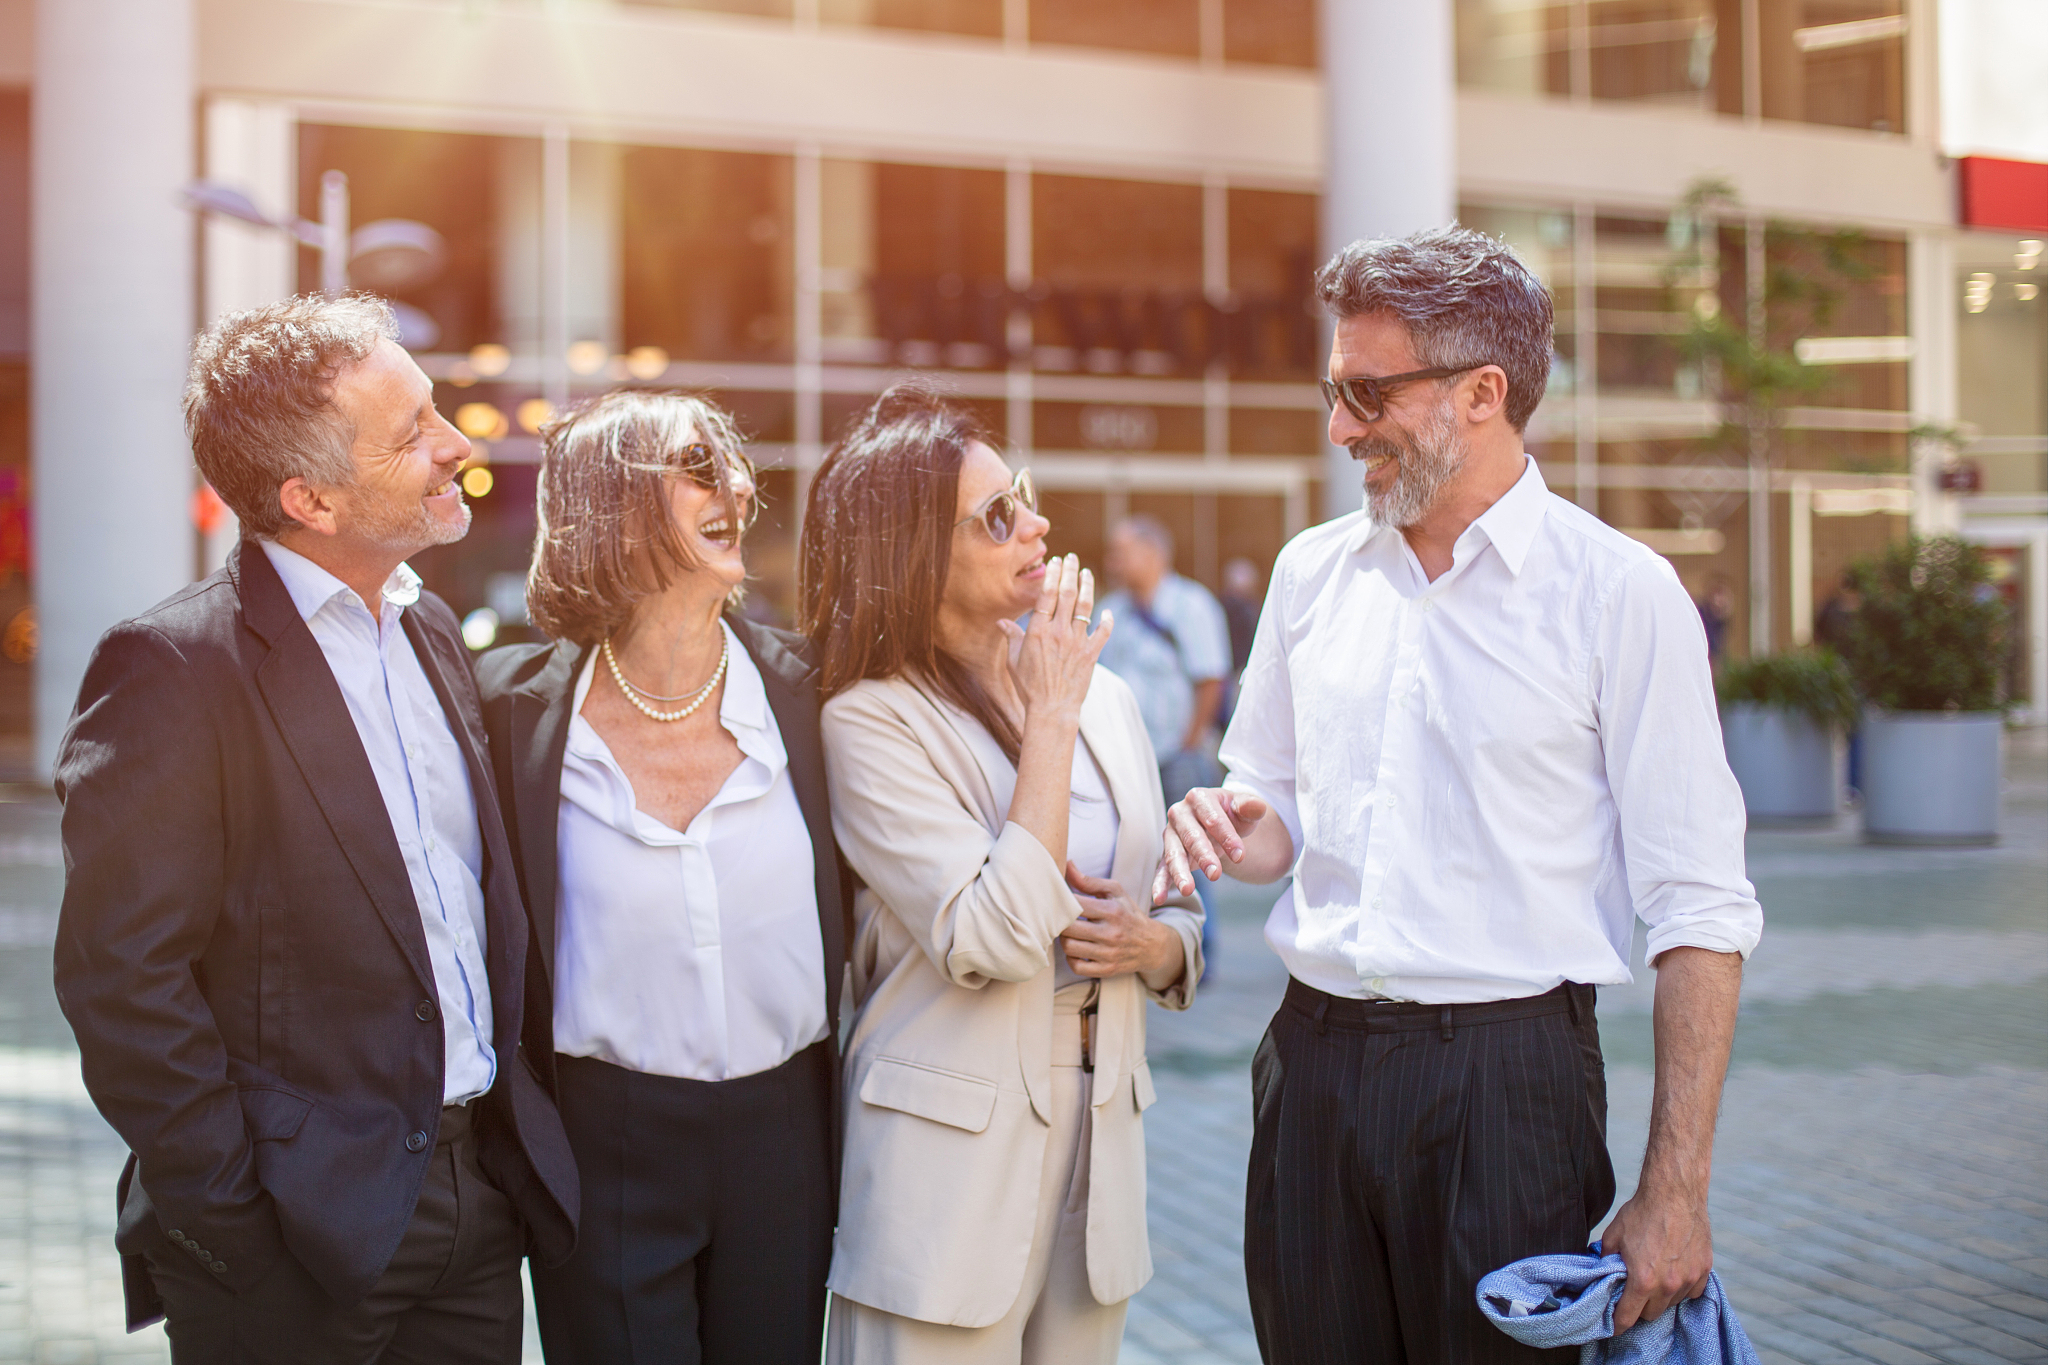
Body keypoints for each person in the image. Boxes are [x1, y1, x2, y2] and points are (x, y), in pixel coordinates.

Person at [1154, 227, 1763, 1364]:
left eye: (1367, 393)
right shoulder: (1308, 574)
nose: (1339, 428)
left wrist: (1672, 1189)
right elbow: (1271, 805)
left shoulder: (1617, 595)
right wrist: (1233, 828)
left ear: (1483, 393)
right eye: (1333, 391)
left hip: (1506, 1094)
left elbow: (1698, 908)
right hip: (1310, 1073)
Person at [53, 294, 578, 1362]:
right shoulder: (171, 670)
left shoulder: (428, 626)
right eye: (412, 433)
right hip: (289, 1239)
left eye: (437, 411)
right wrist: (234, 1225)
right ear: (311, 499)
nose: (454, 445)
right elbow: (123, 980)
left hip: (473, 1215)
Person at [800, 386, 1203, 1365]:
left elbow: (1167, 898)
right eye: (997, 516)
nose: (1038, 525)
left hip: (1098, 1165)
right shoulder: (872, 720)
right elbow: (989, 937)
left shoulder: (1096, 690)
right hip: (943, 1177)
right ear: (911, 552)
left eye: (1020, 494)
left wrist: (1162, 946)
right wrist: (1050, 719)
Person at [476, 391, 846, 1364]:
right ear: (610, 506)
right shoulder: (505, 717)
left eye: (731, 462)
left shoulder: (817, 694)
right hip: (602, 1146)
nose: (736, 485)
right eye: (695, 467)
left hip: (787, 1135)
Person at [1095, 516, 1232, 973]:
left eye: (1122, 551)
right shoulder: (1112, 609)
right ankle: (1144, 943)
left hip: (1177, 753)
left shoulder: (1190, 605)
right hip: (1127, 759)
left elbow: (1211, 678)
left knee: (1190, 853)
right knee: (1137, 850)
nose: (1113, 561)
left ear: (1153, 554)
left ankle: (1196, 953)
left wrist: (1190, 742)